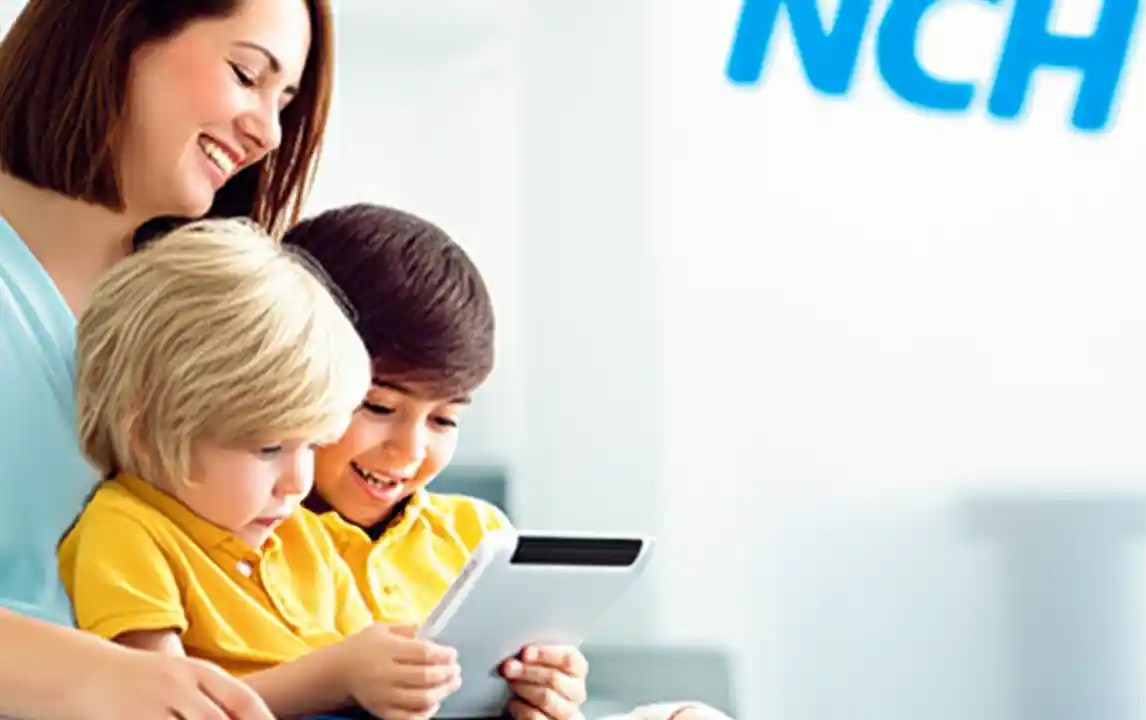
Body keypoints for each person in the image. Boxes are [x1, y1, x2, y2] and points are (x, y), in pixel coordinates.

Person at [0, 1, 334, 717]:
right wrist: (93, 676)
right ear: (116, 30)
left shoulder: (206, 309)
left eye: (285, 102)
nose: (269, 133)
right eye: (247, 74)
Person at [286, 204, 732, 720]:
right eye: (379, 407)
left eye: (444, 421)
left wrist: (547, 694)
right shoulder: (250, 530)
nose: (409, 452)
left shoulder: (476, 534)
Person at [59, 219, 463, 720]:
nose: (298, 482)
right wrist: (339, 675)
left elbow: (370, 669)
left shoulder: (306, 538)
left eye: (313, 445)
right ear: (146, 430)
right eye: (269, 447)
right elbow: (165, 707)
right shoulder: (126, 531)